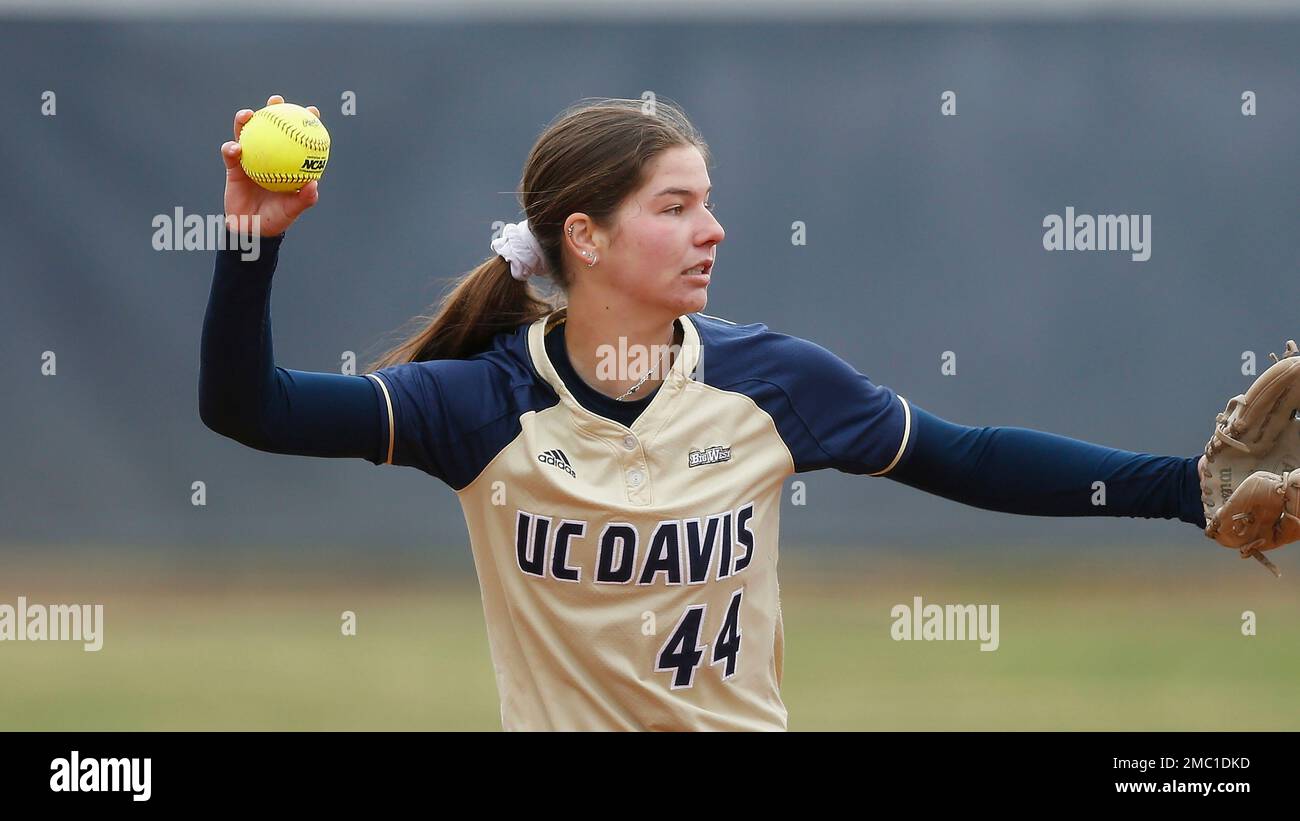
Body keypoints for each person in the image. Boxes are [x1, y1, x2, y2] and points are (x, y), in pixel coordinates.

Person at [201, 94, 1205, 731]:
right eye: (674, 207)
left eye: (707, 201)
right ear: (585, 237)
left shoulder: (769, 383)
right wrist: (252, 239)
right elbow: (251, 408)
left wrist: (1186, 490)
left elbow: (971, 456)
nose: (712, 228)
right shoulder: (482, 405)